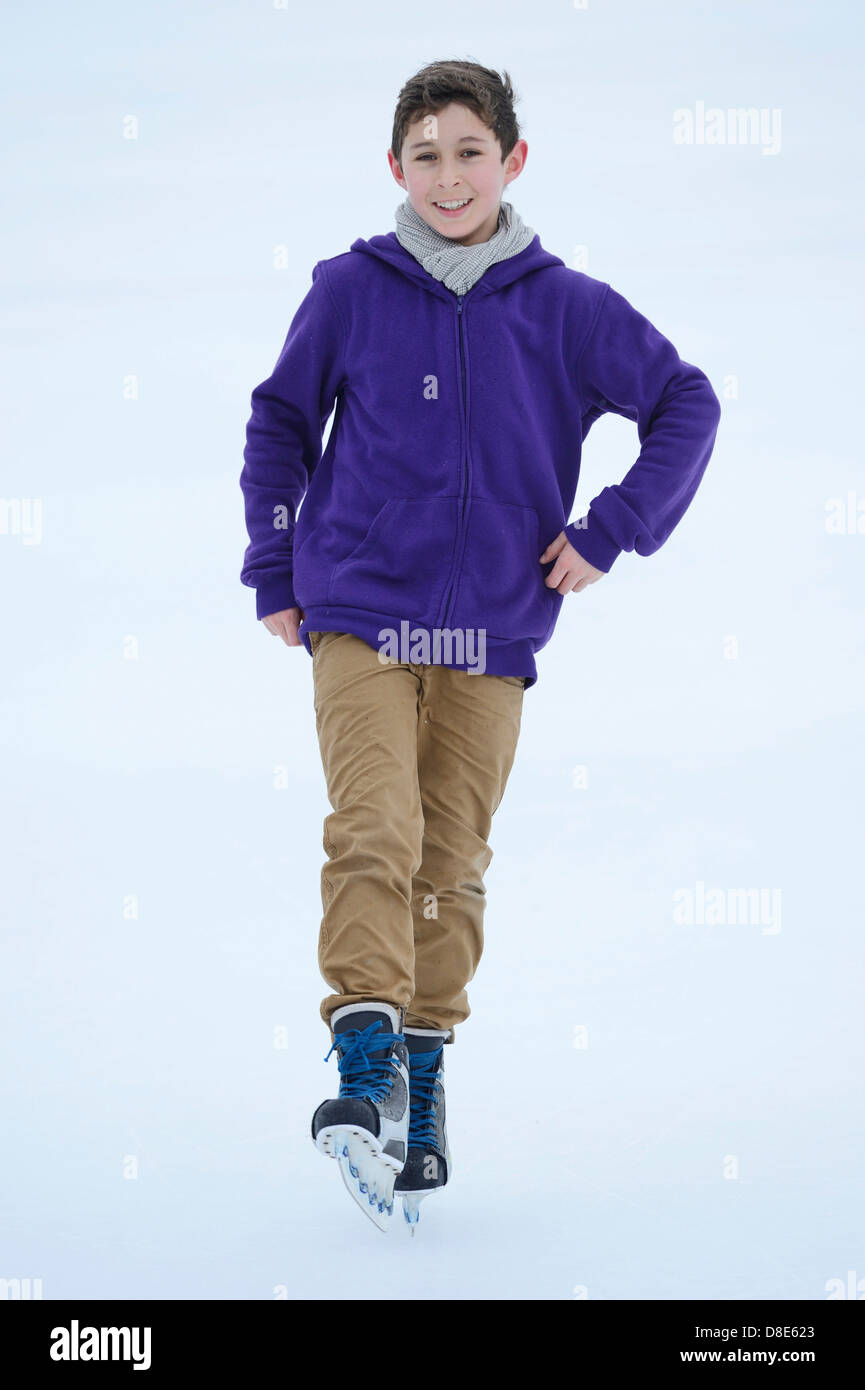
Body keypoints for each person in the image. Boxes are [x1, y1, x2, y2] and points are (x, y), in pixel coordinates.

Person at [239, 59, 722, 1230]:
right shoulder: (352, 290)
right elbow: (282, 420)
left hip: (491, 627)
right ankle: (362, 1065)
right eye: (423, 153)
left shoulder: (566, 306)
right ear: (393, 168)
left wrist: (612, 528)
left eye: (468, 151)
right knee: (376, 826)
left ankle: (424, 1076)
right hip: (356, 606)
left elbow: (685, 402)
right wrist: (274, 561)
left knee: (451, 856)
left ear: (511, 162)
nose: (446, 175)